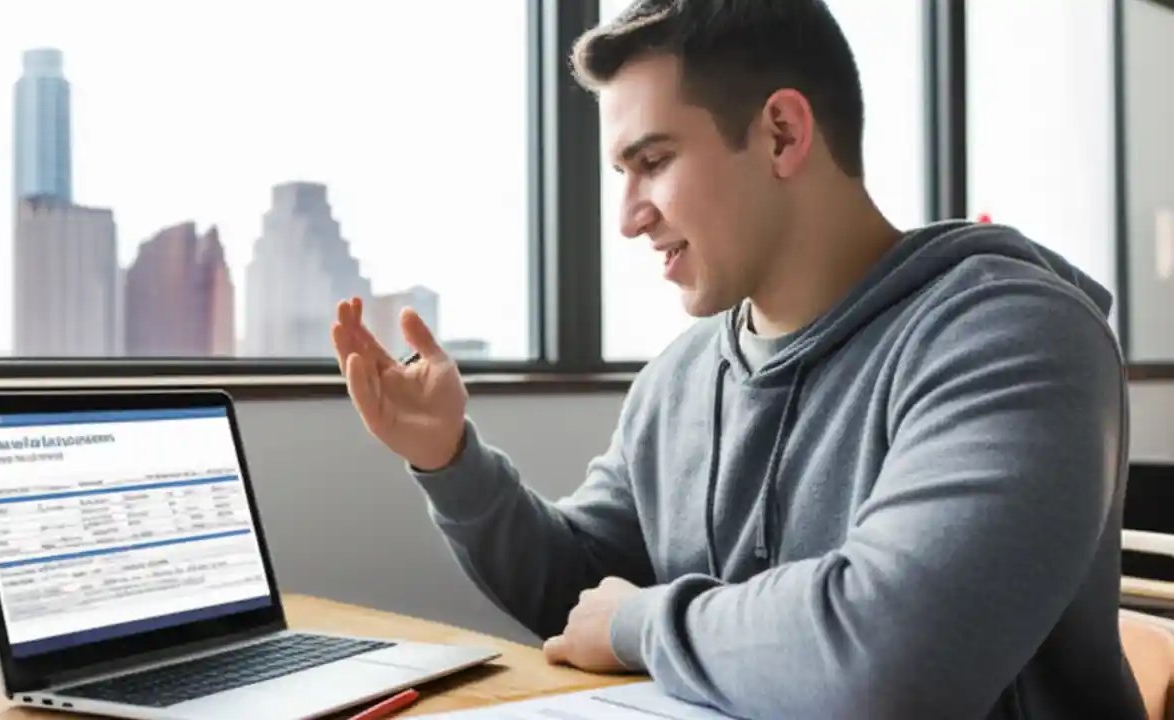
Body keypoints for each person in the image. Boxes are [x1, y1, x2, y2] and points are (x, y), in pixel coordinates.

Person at [332, 0, 1144, 717]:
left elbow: (890, 665)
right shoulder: (681, 378)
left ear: (782, 133)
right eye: (622, 173)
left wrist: (641, 622)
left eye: (652, 162)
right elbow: (579, 592)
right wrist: (447, 460)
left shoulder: (1014, 336)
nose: (627, 217)